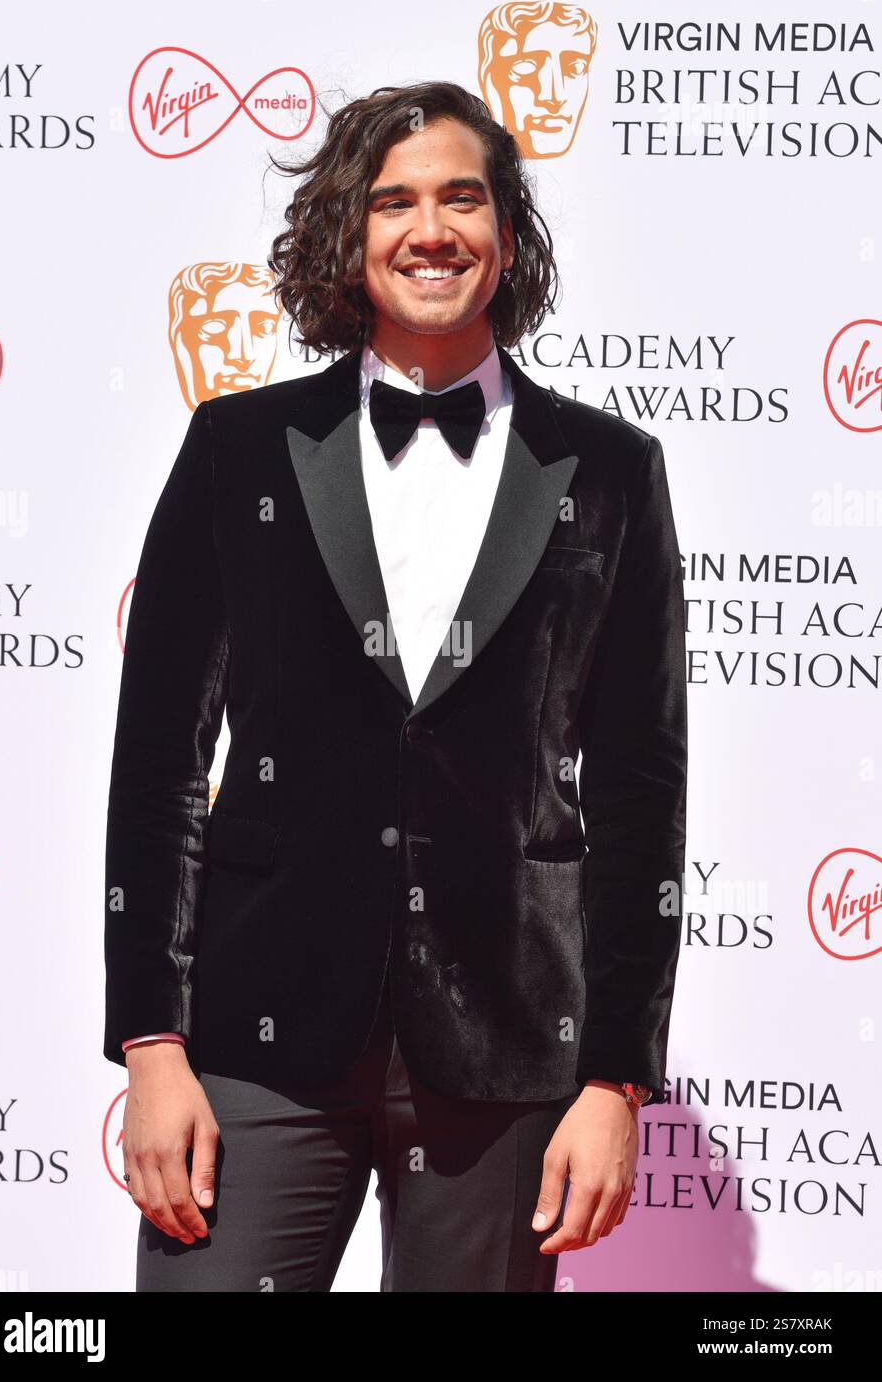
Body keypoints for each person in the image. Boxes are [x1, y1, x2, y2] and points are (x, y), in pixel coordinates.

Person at [104, 80, 688, 1293]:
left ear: (507, 231)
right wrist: (152, 1042)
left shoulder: (613, 471)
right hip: (260, 1034)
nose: (431, 229)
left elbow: (641, 793)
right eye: (394, 202)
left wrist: (614, 1079)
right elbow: (160, 760)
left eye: (462, 197)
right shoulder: (237, 448)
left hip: (511, 1045)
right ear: (348, 235)